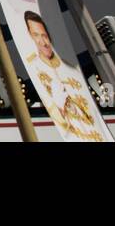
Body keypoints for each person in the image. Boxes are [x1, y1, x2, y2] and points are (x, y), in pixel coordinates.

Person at [23, 10, 109, 142]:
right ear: (29, 35)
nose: (43, 42)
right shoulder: (32, 65)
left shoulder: (70, 67)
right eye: (36, 35)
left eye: (44, 36)